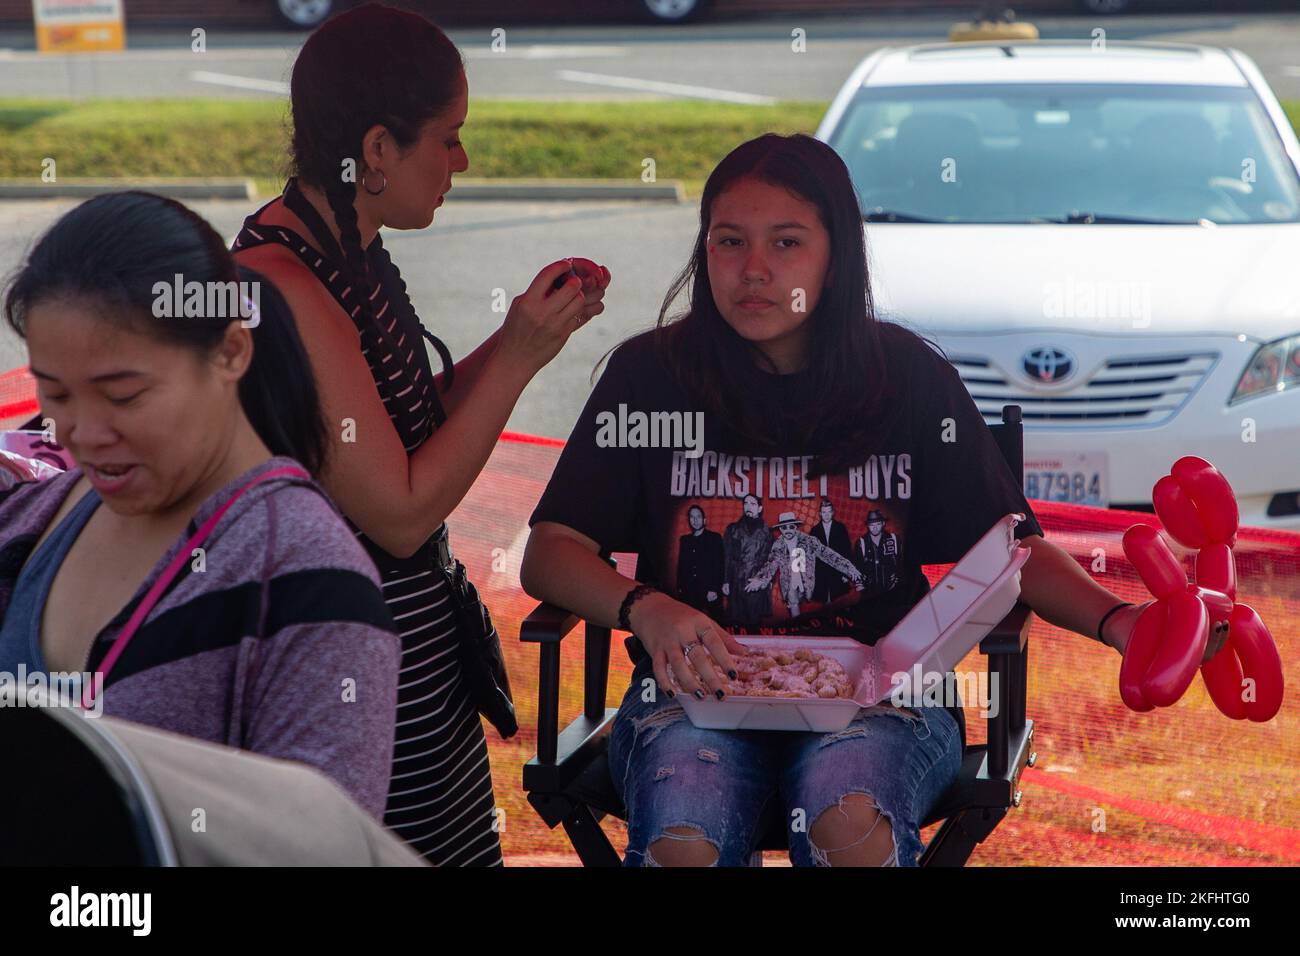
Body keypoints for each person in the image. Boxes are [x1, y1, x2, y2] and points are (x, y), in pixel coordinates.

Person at [521, 133, 1230, 866]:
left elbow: (1011, 554)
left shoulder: (906, 378)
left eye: (787, 242)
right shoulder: (650, 378)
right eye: (729, 241)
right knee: (684, 841)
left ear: (837, 259)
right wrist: (646, 608)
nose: (753, 269)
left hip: (886, 696)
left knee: (847, 820)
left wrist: (1120, 621)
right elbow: (551, 552)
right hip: (691, 699)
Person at [230, 3, 610, 865]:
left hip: (413, 660)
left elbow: (402, 425)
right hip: (348, 682)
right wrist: (515, 360)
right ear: (374, 150)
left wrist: (523, 335)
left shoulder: (346, 249)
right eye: (448, 138)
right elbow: (398, 510)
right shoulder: (281, 281)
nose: (461, 162)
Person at [0, 192, 401, 818]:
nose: (82, 433)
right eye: (56, 394)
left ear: (231, 352)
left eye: (124, 395)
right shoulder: (32, 518)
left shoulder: (309, 585)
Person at [675, 505, 724, 614]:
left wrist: (714, 589)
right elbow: (681, 566)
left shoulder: (714, 538)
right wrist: (680, 588)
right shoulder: (685, 540)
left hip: (709, 592)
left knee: (713, 625)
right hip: (689, 592)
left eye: (698, 516)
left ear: (704, 520)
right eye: (692, 517)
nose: (695, 520)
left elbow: (719, 565)